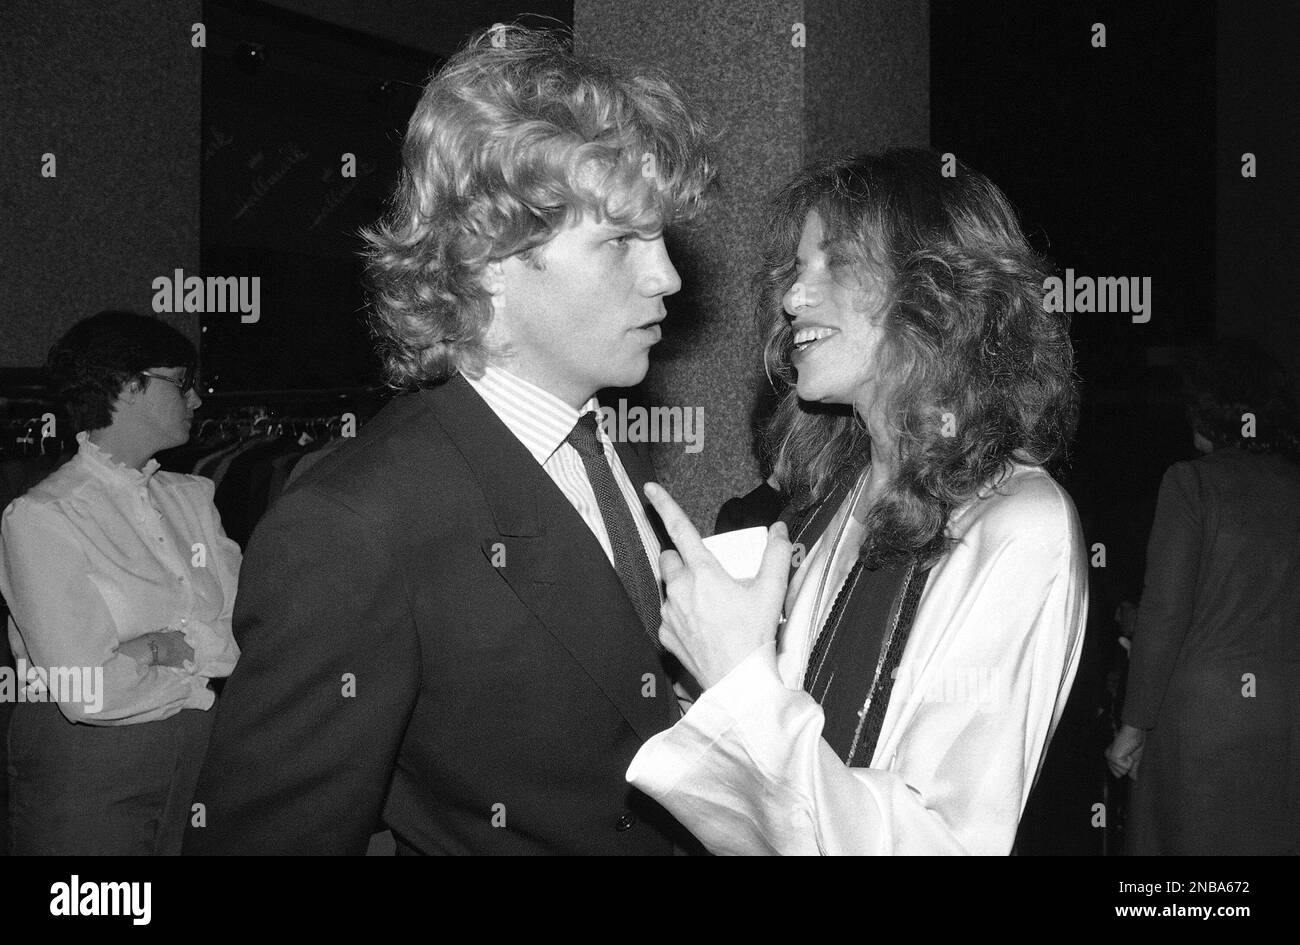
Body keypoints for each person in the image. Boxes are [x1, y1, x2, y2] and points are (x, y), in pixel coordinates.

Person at [184, 25, 713, 855]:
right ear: (489, 259)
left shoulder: (602, 447)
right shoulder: (355, 522)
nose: (667, 276)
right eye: (620, 242)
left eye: (660, 238)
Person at [627, 150, 1088, 855]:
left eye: (833, 263)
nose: (792, 299)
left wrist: (737, 680)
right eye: (795, 269)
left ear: (935, 290)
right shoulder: (832, 503)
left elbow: (937, 841)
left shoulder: (1021, 523)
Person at [0, 310, 240, 855]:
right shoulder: (45, 516)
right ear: (130, 387)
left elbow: (232, 638)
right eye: (182, 383)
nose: (196, 398)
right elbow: (88, 691)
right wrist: (179, 656)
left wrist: (148, 650)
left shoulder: (192, 499)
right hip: (91, 768)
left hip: (199, 756)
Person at [1106, 339, 1300, 854]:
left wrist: (1133, 723)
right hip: (1283, 713)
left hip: (1203, 718)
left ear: (1212, 412)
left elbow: (1166, 612)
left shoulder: (1191, 483)